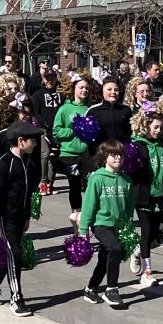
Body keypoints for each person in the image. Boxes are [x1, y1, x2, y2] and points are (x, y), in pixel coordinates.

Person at [0, 121, 41, 315]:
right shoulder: (4, 163)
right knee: (14, 255)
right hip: (4, 219)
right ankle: (16, 299)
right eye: (33, 140)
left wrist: (26, 216)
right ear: (21, 141)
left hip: (19, 219)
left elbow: (28, 193)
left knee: (11, 257)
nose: (36, 143)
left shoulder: (28, 163)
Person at [79, 139, 134, 308]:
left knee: (105, 259)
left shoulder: (126, 180)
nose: (118, 158)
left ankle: (90, 289)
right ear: (104, 157)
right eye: (113, 155)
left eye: (120, 155)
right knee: (114, 249)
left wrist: (128, 223)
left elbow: (129, 205)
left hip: (117, 225)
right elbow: (89, 204)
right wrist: (83, 229)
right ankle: (111, 289)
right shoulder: (97, 179)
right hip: (101, 223)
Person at [129, 113, 163, 289]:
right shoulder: (138, 145)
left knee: (156, 236)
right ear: (145, 125)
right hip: (143, 196)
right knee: (147, 232)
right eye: (155, 127)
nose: (158, 130)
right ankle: (147, 273)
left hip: (161, 195)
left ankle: (138, 251)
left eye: (161, 128)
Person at [52, 76, 95, 226]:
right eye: (81, 87)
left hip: (87, 155)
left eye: (86, 88)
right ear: (73, 89)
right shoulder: (65, 109)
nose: (84, 90)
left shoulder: (90, 108)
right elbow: (56, 132)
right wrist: (73, 130)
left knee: (90, 186)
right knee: (75, 188)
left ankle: (88, 215)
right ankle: (76, 217)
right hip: (69, 155)